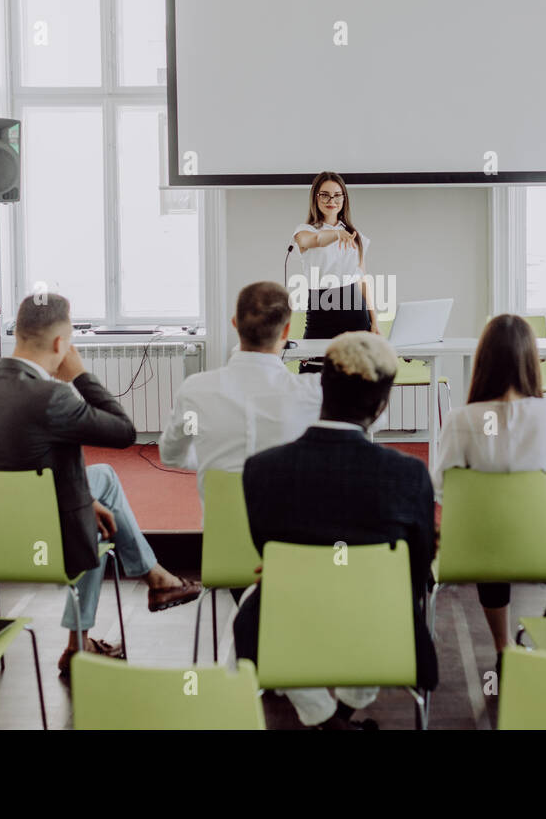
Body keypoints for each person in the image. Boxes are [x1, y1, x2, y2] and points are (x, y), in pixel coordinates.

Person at [0, 293, 200, 676]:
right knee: (97, 526)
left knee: (101, 479)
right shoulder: (51, 397)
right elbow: (124, 432)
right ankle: (148, 582)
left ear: (17, 333)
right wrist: (81, 375)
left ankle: (136, 594)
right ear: (60, 344)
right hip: (48, 546)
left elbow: (15, 472)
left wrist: (82, 497)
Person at [233, 332, 438, 729]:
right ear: (380, 408)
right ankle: (338, 717)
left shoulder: (262, 469)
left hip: (286, 624)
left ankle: (328, 720)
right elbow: (420, 568)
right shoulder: (408, 475)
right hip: (382, 628)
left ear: (322, 389)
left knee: (256, 603)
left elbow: (266, 550)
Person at [431, 314, 546, 672]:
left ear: (484, 361)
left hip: (472, 549)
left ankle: (503, 648)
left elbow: (441, 487)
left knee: (489, 536)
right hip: (539, 546)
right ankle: (541, 638)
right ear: (531, 361)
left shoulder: (460, 419)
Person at [159, 282, 322, 605]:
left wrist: (210, 460)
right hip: (294, 553)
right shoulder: (311, 393)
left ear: (234, 324)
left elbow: (171, 454)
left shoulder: (197, 390)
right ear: (287, 329)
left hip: (226, 553)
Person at [291, 171, 378, 372]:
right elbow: (315, 240)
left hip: (355, 313)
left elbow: (363, 280)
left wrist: (374, 321)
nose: (332, 200)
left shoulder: (355, 237)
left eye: (338, 195)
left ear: (344, 199)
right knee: (311, 376)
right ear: (315, 197)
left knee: (355, 384)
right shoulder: (304, 230)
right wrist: (337, 234)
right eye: (325, 195)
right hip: (321, 312)